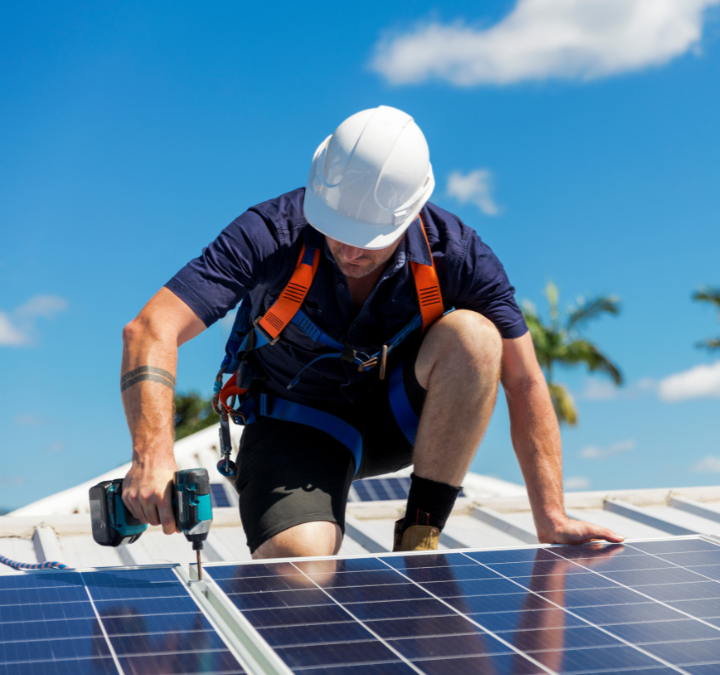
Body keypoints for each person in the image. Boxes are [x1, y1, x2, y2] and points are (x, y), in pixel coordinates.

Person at [120, 106, 622, 558]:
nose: (350, 250)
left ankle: (420, 534)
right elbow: (150, 328)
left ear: (409, 215)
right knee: (301, 566)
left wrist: (551, 516)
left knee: (476, 338)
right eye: (337, 229)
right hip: (297, 423)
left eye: (369, 240)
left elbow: (525, 381)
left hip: (401, 422)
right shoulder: (271, 231)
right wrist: (153, 455)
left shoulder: (459, 254)